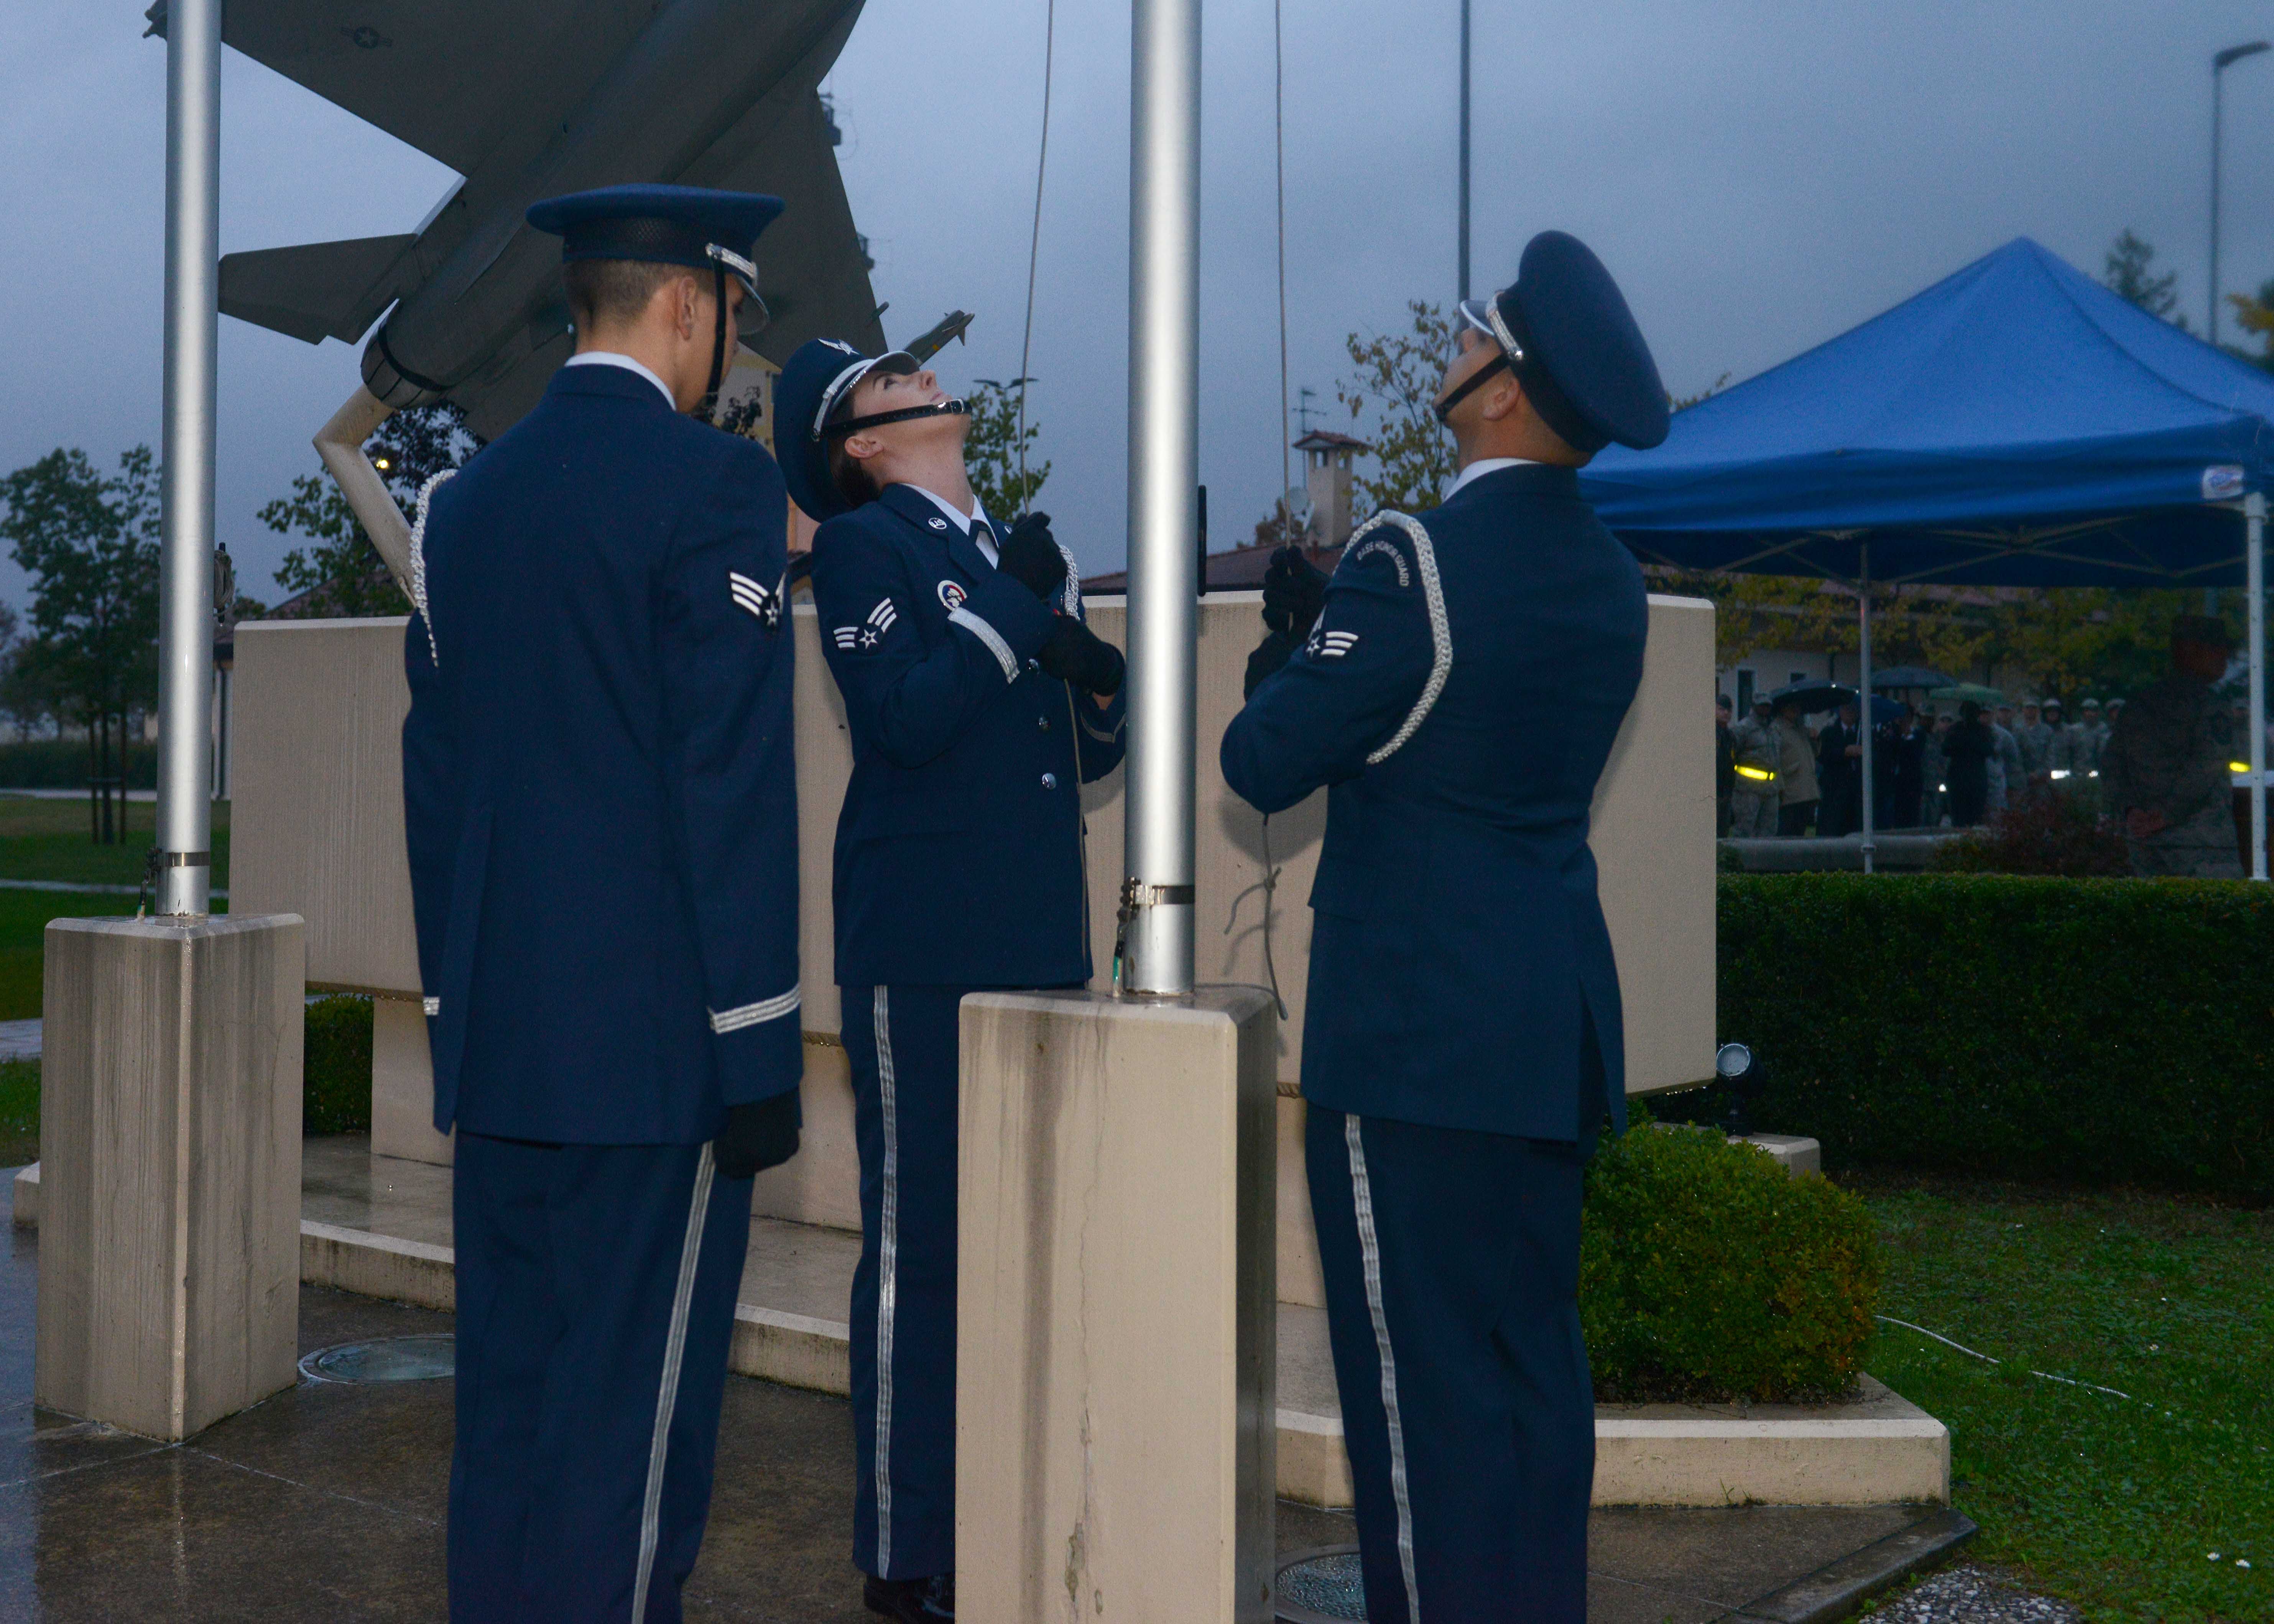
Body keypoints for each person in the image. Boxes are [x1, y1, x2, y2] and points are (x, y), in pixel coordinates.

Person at [1220, 230, 1667, 1624]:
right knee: (1533, 1375)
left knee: (1420, 1404)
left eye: (1475, 334)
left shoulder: (1414, 559)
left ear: (1505, 395)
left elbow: (1261, 761)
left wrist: (1292, 642)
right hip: (1542, 1026)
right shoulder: (1609, 579)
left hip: (1415, 1040)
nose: (1455, 343)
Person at [401, 185, 805, 1622]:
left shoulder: (462, 505)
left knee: (507, 1423)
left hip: (505, 1053)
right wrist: (758, 1048)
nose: (726, 349)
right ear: (690, 305)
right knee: (627, 1444)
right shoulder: (717, 489)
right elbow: (730, 788)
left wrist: (457, 1022)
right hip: (657, 1063)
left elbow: (438, 798)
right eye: (730, 319)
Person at [774, 335, 1128, 1623]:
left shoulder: (1007, 548)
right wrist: (1014, 612)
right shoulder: (866, 548)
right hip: (923, 947)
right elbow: (907, 719)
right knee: (923, 1254)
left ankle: (1003, 1502)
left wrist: (1095, 673)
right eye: (890, 385)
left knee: (1029, 1246)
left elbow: (1084, 755)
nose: (923, 380)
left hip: (1037, 935)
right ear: (859, 446)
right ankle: (906, 1546)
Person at [2102, 615, 2243, 878]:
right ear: (2192, 652)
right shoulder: (2210, 706)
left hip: (2145, 843)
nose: (2225, 658)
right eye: (2218, 649)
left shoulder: (2139, 705)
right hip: (2202, 847)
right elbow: (2207, 768)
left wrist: (2130, 810)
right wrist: (2165, 815)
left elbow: (2112, 765)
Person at [1728, 695, 1781, 837]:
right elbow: (1731, 755)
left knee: (1769, 833)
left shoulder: (1773, 728)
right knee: (1744, 830)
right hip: (1748, 790)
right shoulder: (1743, 728)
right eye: (1762, 705)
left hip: (1771, 789)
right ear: (1754, 706)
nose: (1765, 709)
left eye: (1768, 706)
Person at [1773, 697, 1820, 836]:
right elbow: (1775, 761)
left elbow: (1815, 754)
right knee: (1787, 834)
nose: (1795, 710)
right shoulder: (1777, 729)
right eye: (1790, 707)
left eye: (1797, 707)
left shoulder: (1802, 730)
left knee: (1800, 834)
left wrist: (1815, 739)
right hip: (1790, 794)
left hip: (1808, 793)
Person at [1815, 701, 1862, 836]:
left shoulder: (1863, 734)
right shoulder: (1829, 732)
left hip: (1856, 795)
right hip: (1834, 793)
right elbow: (1822, 756)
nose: (1850, 713)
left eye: (1853, 710)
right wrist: (1844, 752)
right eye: (1846, 709)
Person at [1943, 701, 1992, 827]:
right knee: (1958, 819)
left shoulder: (1983, 731)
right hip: (1958, 780)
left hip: (1975, 780)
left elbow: (1988, 750)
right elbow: (1945, 750)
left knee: (1975, 819)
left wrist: (1969, 741)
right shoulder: (1955, 729)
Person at [1715, 694, 1736, 837]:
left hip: (1726, 793)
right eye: (1722, 709)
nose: (1726, 713)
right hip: (1712, 793)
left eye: (1729, 710)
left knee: (1723, 834)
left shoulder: (1730, 737)